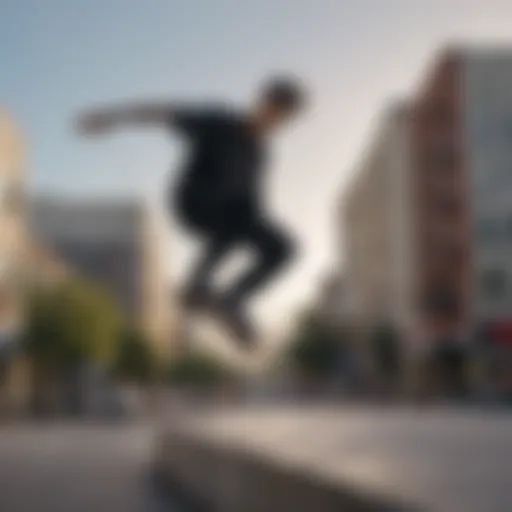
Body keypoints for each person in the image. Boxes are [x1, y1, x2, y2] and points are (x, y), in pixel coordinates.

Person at [76, 76, 306, 349]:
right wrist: (110, 118)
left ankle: (231, 300)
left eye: (279, 120)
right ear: (261, 102)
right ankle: (197, 285)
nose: (271, 123)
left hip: (229, 214)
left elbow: (254, 208)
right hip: (192, 201)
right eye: (270, 111)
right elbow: (163, 113)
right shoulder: (220, 122)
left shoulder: (260, 153)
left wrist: (261, 236)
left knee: (284, 247)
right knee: (239, 214)